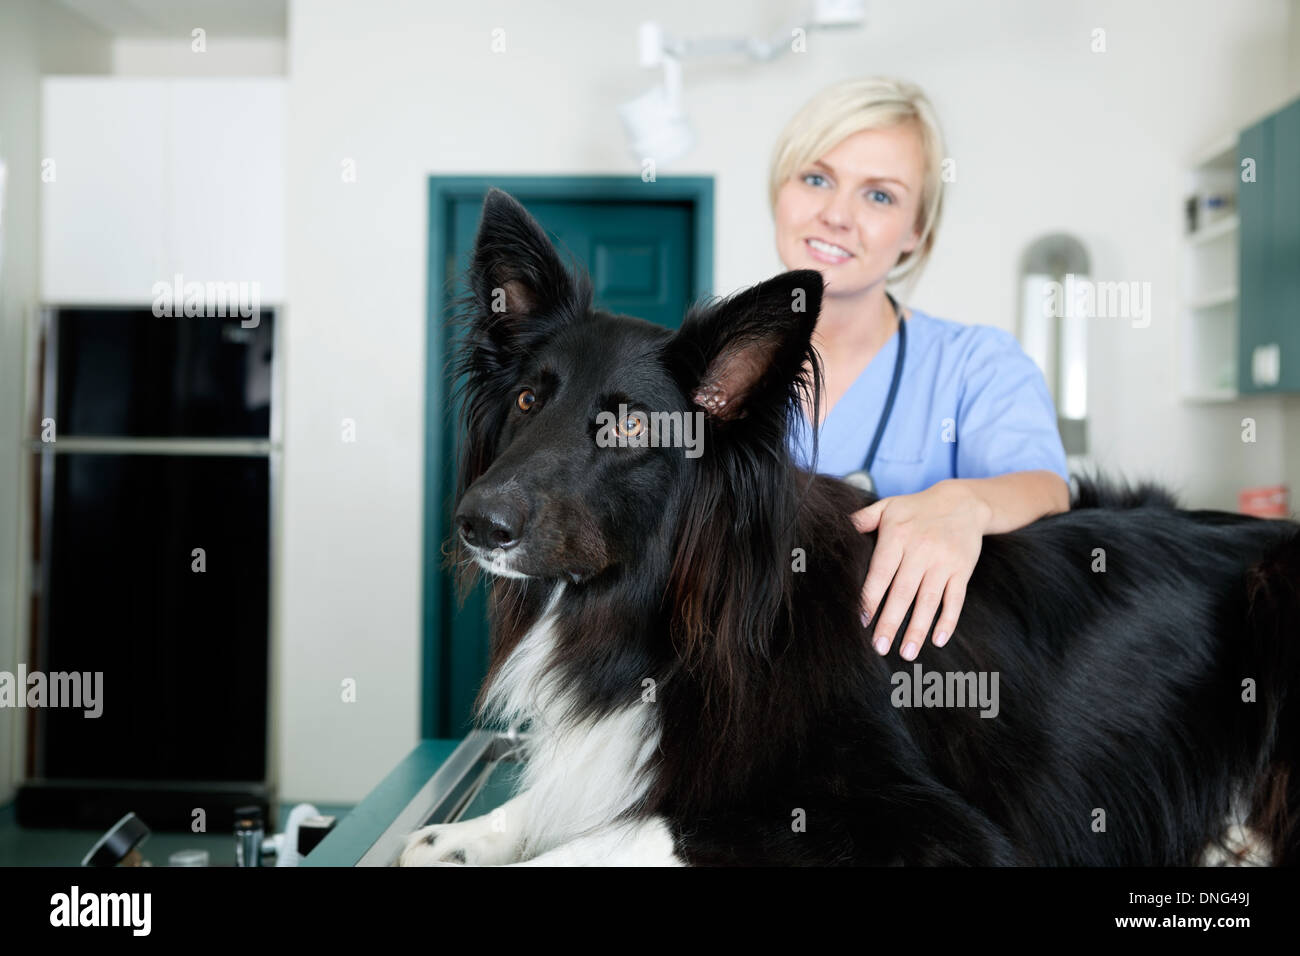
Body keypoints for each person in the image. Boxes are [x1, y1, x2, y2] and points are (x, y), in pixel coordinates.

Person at [769, 76, 1070, 662]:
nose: (836, 214)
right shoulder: (714, 366)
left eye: (879, 195)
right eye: (816, 178)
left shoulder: (976, 365)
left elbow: (1048, 490)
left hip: (910, 708)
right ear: (780, 190)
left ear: (915, 232)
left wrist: (966, 503)